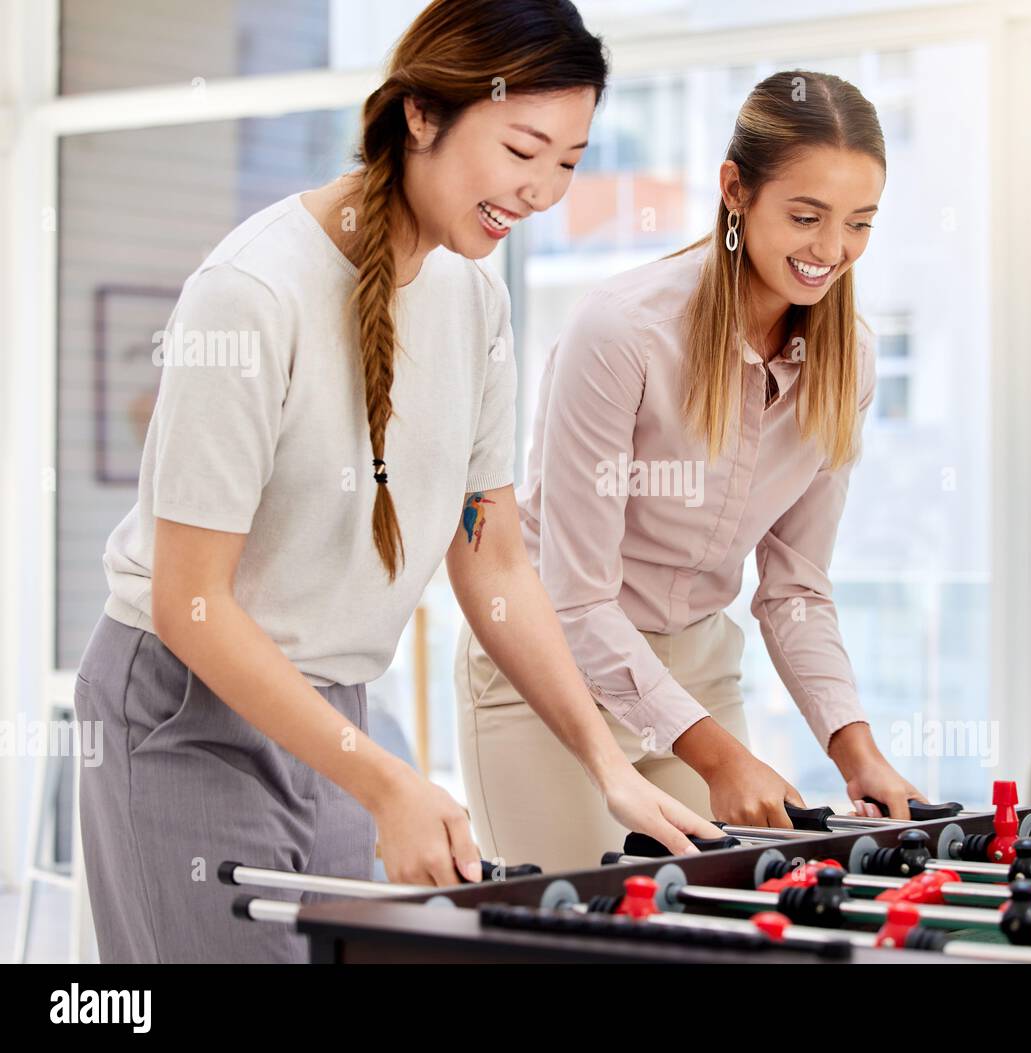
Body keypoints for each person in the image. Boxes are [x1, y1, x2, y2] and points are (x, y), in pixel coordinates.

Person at [73, 0, 716, 965]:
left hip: (334, 709)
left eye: (569, 161)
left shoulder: (474, 298)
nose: (541, 189)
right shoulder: (251, 293)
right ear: (422, 115)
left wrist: (604, 759)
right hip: (185, 708)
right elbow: (187, 599)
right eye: (523, 148)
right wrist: (384, 784)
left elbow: (491, 554)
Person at [456, 70, 929, 873]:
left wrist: (857, 751)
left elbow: (795, 588)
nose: (831, 251)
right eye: (806, 217)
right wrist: (719, 759)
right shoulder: (623, 334)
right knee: (584, 936)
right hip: (550, 680)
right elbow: (577, 597)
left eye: (859, 223)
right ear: (735, 190)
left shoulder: (851, 365)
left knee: (715, 926)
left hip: (697, 673)